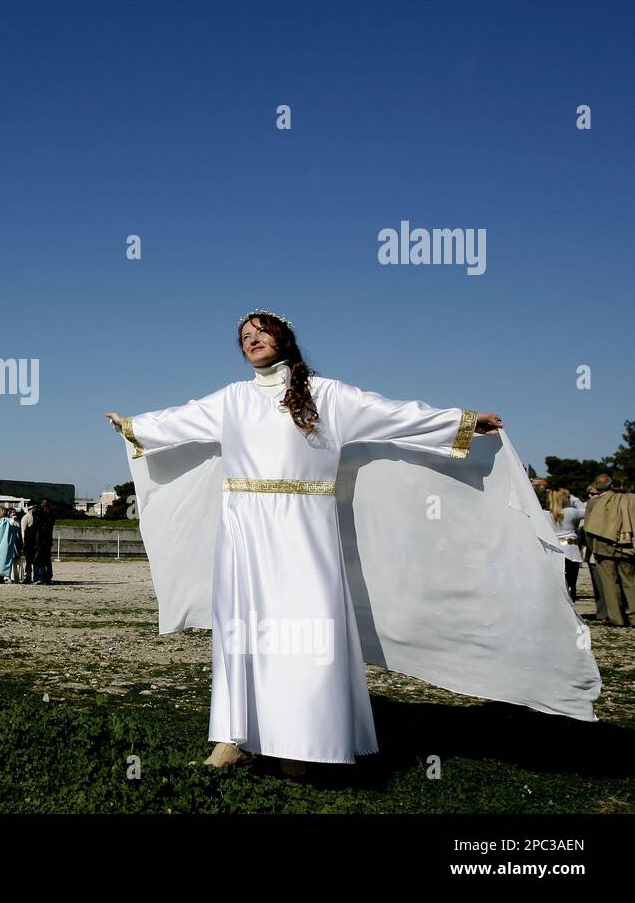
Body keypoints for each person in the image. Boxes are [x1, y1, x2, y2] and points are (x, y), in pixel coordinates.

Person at [106, 310, 599, 777]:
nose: (251, 341)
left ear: (285, 339)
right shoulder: (230, 399)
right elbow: (178, 421)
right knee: (241, 628)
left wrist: (461, 421)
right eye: (244, 337)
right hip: (244, 527)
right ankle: (232, 738)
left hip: (305, 527)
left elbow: (395, 415)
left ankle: (297, 742)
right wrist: (133, 425)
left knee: (304, 629)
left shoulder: (329, 395)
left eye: (261, 332)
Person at [583, 474, 635, 627]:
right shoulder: (630, 500)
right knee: (630, 582)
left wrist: (591, 548)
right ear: (612, 486)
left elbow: (588, 528)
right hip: (626, 545)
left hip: (603, 546)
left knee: (609, 583)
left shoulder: (593, 503)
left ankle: (616, 618)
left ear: (596, 487)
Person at [546, 488, 585, 601]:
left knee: (557, 583)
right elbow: (587, 509)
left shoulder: (545, 514)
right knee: (571, 583)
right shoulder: (571, 512)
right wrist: (574, 499)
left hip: (554, 549)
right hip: (570, 550)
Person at [0, 507, 19, 584]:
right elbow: (12, 523)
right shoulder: (4, 521)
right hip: (3, 545)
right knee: (2, 561)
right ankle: (0, 578)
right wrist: (13, 518)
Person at [31, 499, 55, 584]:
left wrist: (34, 514)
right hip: (46, 539)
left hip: (41, 539)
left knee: (39, 558)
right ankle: (47, 576)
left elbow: (37, 526)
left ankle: (40, 577)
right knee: (46, 558)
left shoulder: (41, 514)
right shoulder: (50, 514)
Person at [20, 503, 37, 583]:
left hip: (34, 541)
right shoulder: (25, 517)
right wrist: (24, 541)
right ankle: (28, 576)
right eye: (34, 507)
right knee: (28, 560)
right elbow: (23, 530)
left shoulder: (35, 517)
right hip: (28, 541)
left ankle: (35, 576)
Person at [7, 509, 24, 582]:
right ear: (9, 514)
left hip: (16, 543)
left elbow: (19, 533)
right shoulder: (7, 521)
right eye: (12, 513)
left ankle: (17, 577)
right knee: (10, 561)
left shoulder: (18, 522)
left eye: (15, 512)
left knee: (17, 561)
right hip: (10, 543)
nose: (14, 514)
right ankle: (10, 576)